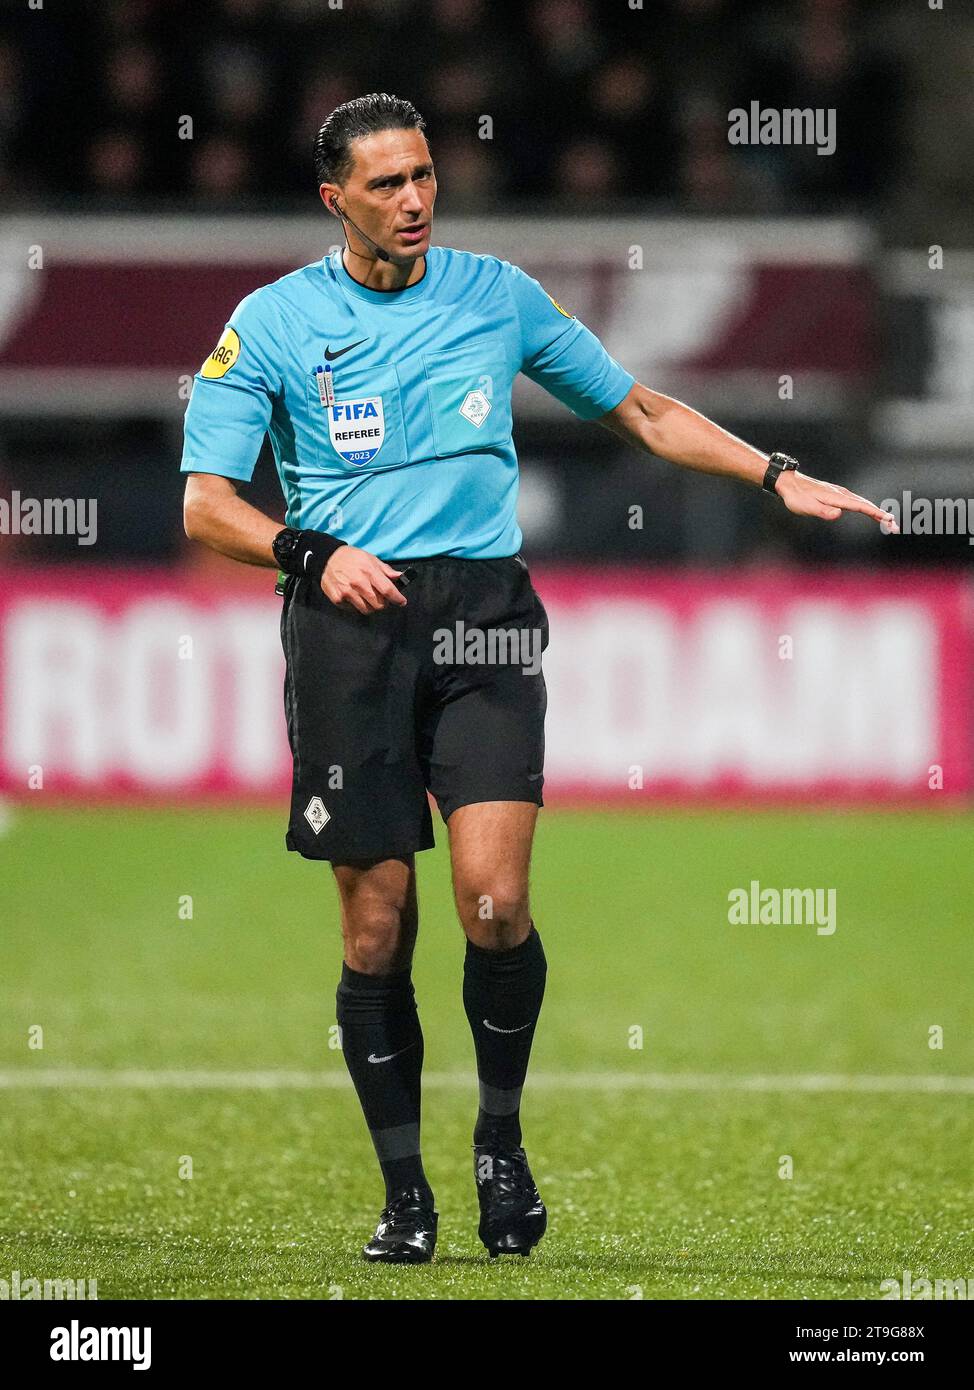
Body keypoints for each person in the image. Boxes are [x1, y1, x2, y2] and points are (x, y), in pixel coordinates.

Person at [180, 92, 897, 1265]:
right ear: (334, 200)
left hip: (483, 620)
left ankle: (498, 1143)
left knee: (492, 903)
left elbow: (640, 410)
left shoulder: (496, 296)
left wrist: (773, 476)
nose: (413, 200)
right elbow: (207, 505)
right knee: (374, 930)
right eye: (385, 185)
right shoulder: (268, 323)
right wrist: (312, 550)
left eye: (422, 176)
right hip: (346, 629)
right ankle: (403, 1192)